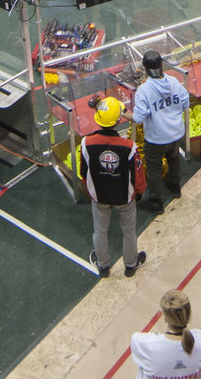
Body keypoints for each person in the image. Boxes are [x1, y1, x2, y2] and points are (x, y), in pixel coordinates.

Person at [79, 96, 146, 277]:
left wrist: (90, 191)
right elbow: (138, 176)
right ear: (118, 121)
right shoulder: (129, 147)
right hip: (125, 198)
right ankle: (131, 265)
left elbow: (83, 173)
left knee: (100, 232)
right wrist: (139, 192)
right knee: (129, 232)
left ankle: (103, 265)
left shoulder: (86, 143)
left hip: (99, 197)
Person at [133, 50, 191, 213]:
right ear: (161, 66)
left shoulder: (144, 90)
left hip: (156, 138)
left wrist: (123, 113)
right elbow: (186, 102)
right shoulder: (173, 82)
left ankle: (156, 200)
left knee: (154, 168)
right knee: (173, 159)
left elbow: (139, 117)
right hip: (176, 133)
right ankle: (175, 187)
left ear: (145, 68)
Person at [130, 290, 201, 379]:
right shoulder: (200, 339)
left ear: (165, 318)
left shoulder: (145, 344)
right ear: (188, 315)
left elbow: (135, 339)